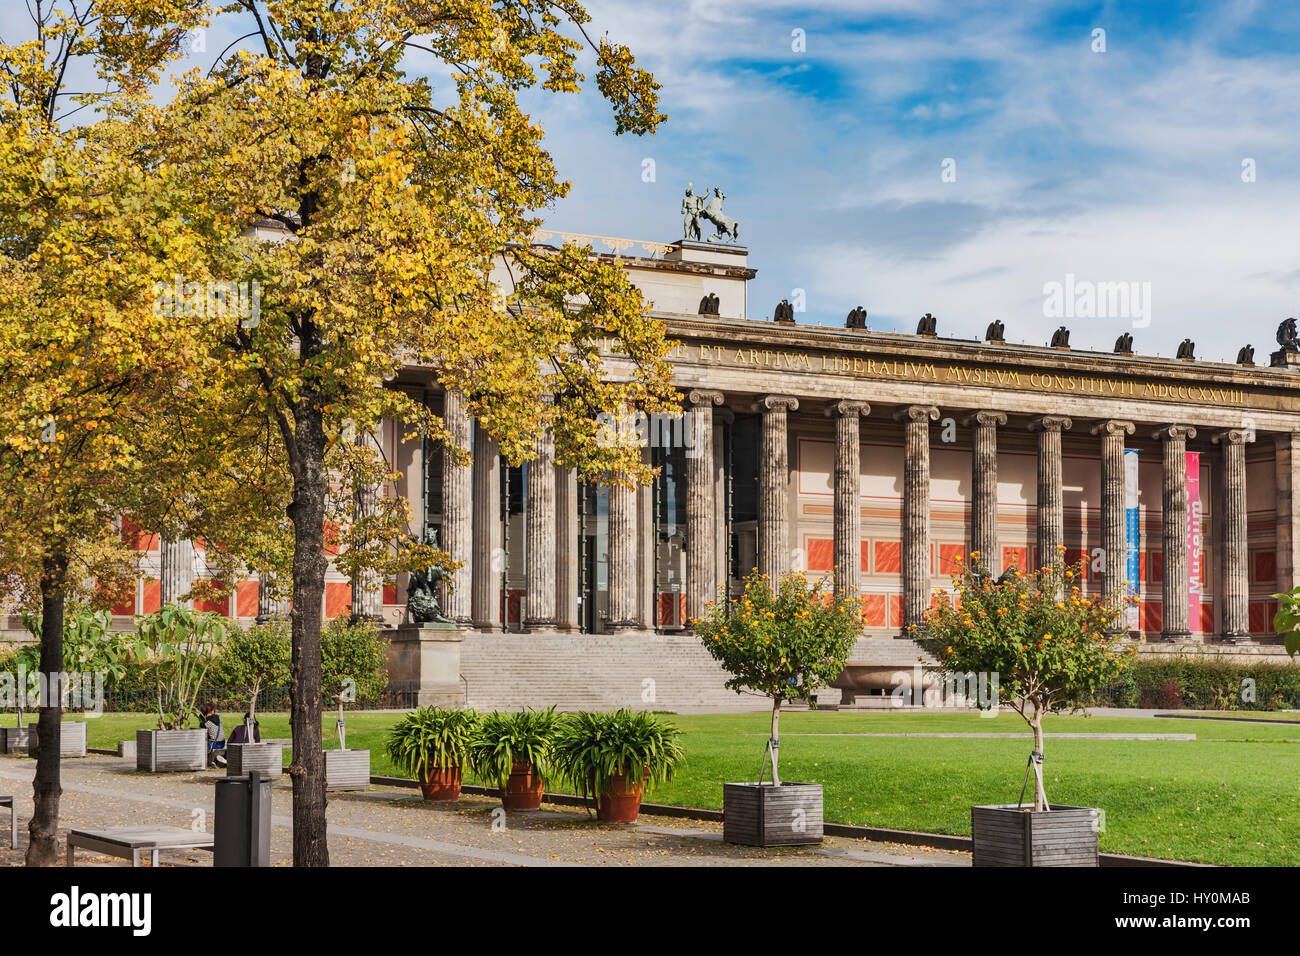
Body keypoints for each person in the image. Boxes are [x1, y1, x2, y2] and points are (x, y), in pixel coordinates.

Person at [199, 702, 226, 767]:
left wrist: (201, 720)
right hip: (222, 743)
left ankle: (208, 760)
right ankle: (217, 760)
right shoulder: (219, 718)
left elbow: (203, 731)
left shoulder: (206, 723)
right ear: (212, 711)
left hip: (214, 745)